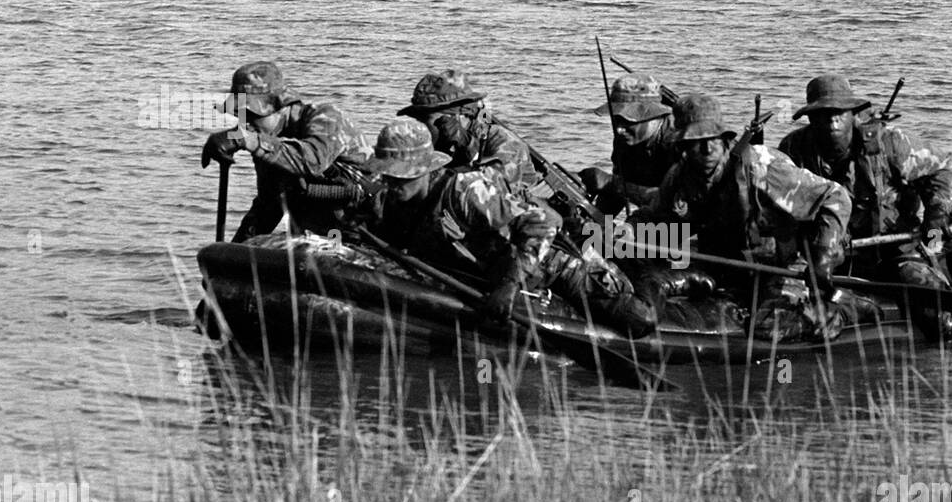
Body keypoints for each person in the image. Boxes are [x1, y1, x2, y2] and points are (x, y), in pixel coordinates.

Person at [353, 118, 655, 336]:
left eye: (399, 176)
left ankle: (659, 279)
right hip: (485, 272)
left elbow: (543, 224)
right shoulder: (395, 201)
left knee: (638, 320)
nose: (390, 183)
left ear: (423, 170)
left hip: (552, 266)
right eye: (388, 176)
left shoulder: (465, 191)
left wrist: (509, 285)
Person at [638, 92, 877, 339]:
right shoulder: (678, 178)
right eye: (697, 142)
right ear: (683, 147)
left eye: (714, 139)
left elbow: (835, 196)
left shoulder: (762, 167)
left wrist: (823, 258)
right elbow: (658, 220)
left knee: (770, 329)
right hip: (730, 265)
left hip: (784, 266)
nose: (708, 149)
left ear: (724, 139)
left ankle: (843, 308)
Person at [777, 74, 952, 319]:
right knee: (792, 308)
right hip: (833, 253)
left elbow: (941, 168)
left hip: (894, 249)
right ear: (810, 118)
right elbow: (775, 204)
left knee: (939, 320)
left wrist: (936, 216)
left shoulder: (889, 144)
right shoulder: (793, 151)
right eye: (822, 113)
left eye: (839, 111)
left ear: (852, 114)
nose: (832, 119)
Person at [201, 61, 371, 242]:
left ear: (279, 107)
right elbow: (268, 205)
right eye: (240, 115)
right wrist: (235, 251)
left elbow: (312, 160)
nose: (245, 123)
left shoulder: (326, 118)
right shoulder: (267, 141)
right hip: (313, 240)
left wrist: (249, 141)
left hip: (364, 232)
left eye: (251, 115)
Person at [395, 70, 535, 188]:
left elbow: (487, 194)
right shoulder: (441, 143)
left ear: (457, 117)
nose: (421, 128)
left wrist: (468, 147)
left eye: (426, 121)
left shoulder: (503, 141)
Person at [579, 74, 680, 214]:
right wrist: (594, 222)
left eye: (628, 121)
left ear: (653, 115)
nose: (619, 129)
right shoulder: (627, 138)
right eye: (616, 121)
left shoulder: (680, 143)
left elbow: (678, 204)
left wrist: (610, 183)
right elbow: (615, 194)